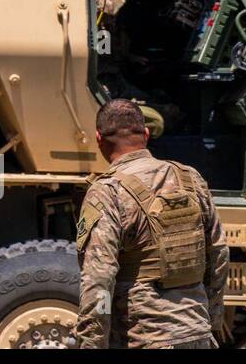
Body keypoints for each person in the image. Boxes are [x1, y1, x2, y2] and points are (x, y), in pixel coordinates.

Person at [75, 99, 228, 348]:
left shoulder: (107, 191)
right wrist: (211, 322)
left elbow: (99, 277)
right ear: (146, 134)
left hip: (143, 337)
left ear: (98, 138)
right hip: (197, 334)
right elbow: (219, 254)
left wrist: (91, 343)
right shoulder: (190, 178)